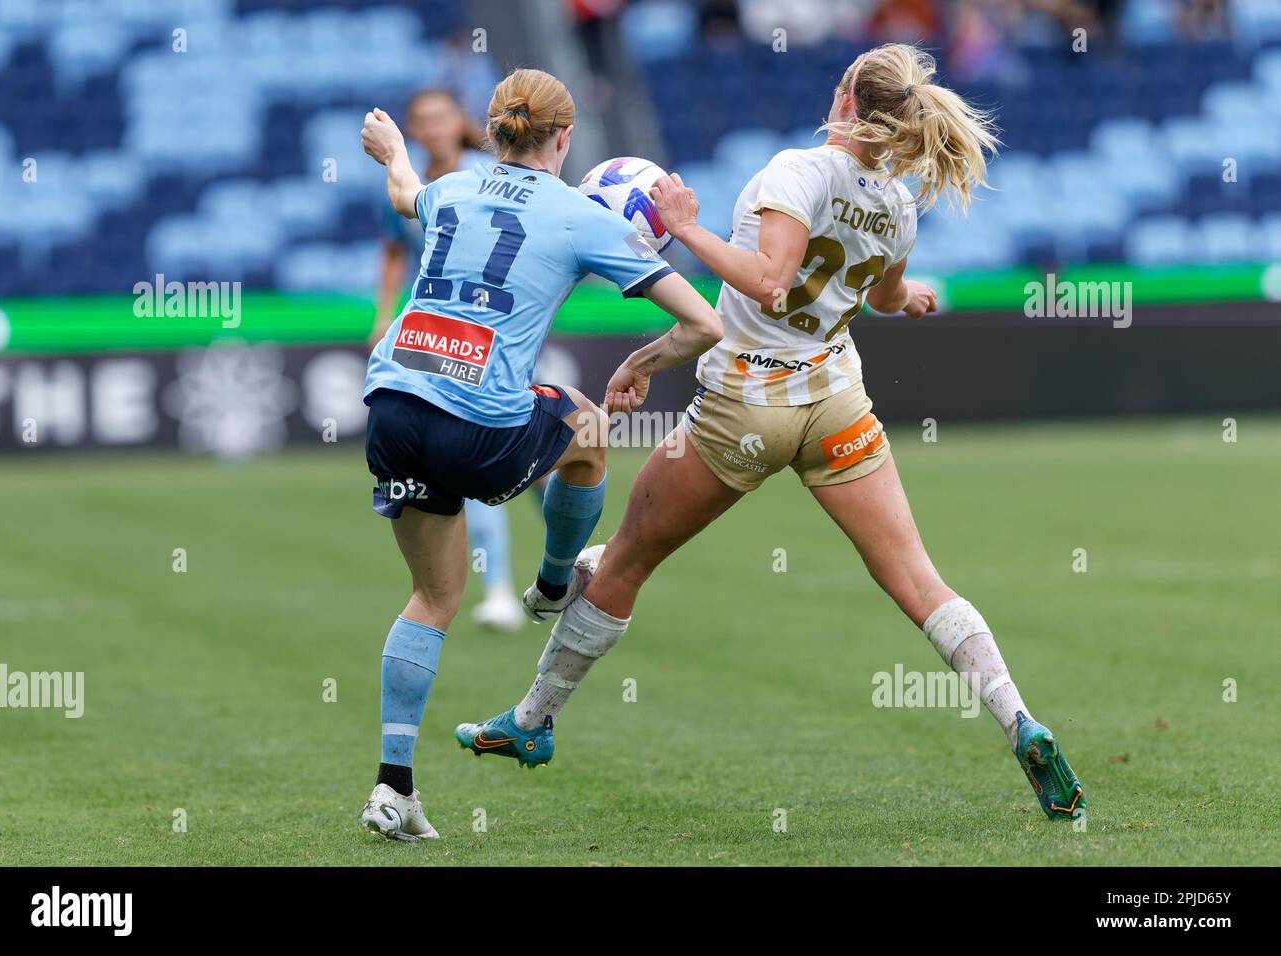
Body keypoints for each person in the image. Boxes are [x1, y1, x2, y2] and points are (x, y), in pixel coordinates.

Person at [455, 44, 1085, 821]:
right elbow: (882, 296)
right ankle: (1019, 719)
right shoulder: (897, 203)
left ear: (846, 98)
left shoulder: (797, 172)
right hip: (837, 406)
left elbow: (768, 283)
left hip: (747, 407)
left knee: (625, 561)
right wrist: (911, 296)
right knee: (921, 583)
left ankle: (532, 720)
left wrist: (686, 228)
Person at [357, 68, 723, 840]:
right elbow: (705, 325)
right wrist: (640, 364)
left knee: (431, 600)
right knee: (588, 428)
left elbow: (402, 192)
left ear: (492, 130)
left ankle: (393, 788)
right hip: (480, 424)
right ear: (565, 138)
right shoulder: (582, 217)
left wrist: (392, 149)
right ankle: (554, 585)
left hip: (393, 404)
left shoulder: (450, 187)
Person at [372, 89, 523, 633]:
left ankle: (563, 551)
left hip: (498, 335)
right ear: (413, 130)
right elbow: (394, 253)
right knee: (467, 456)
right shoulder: (408, 185)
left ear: (459, 122)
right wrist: (383, 316)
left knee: (535, 461)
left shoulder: (490, 176)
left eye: (441, 117)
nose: (433, 127)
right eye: (423, 120)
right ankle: (500, 589)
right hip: (441, 341)